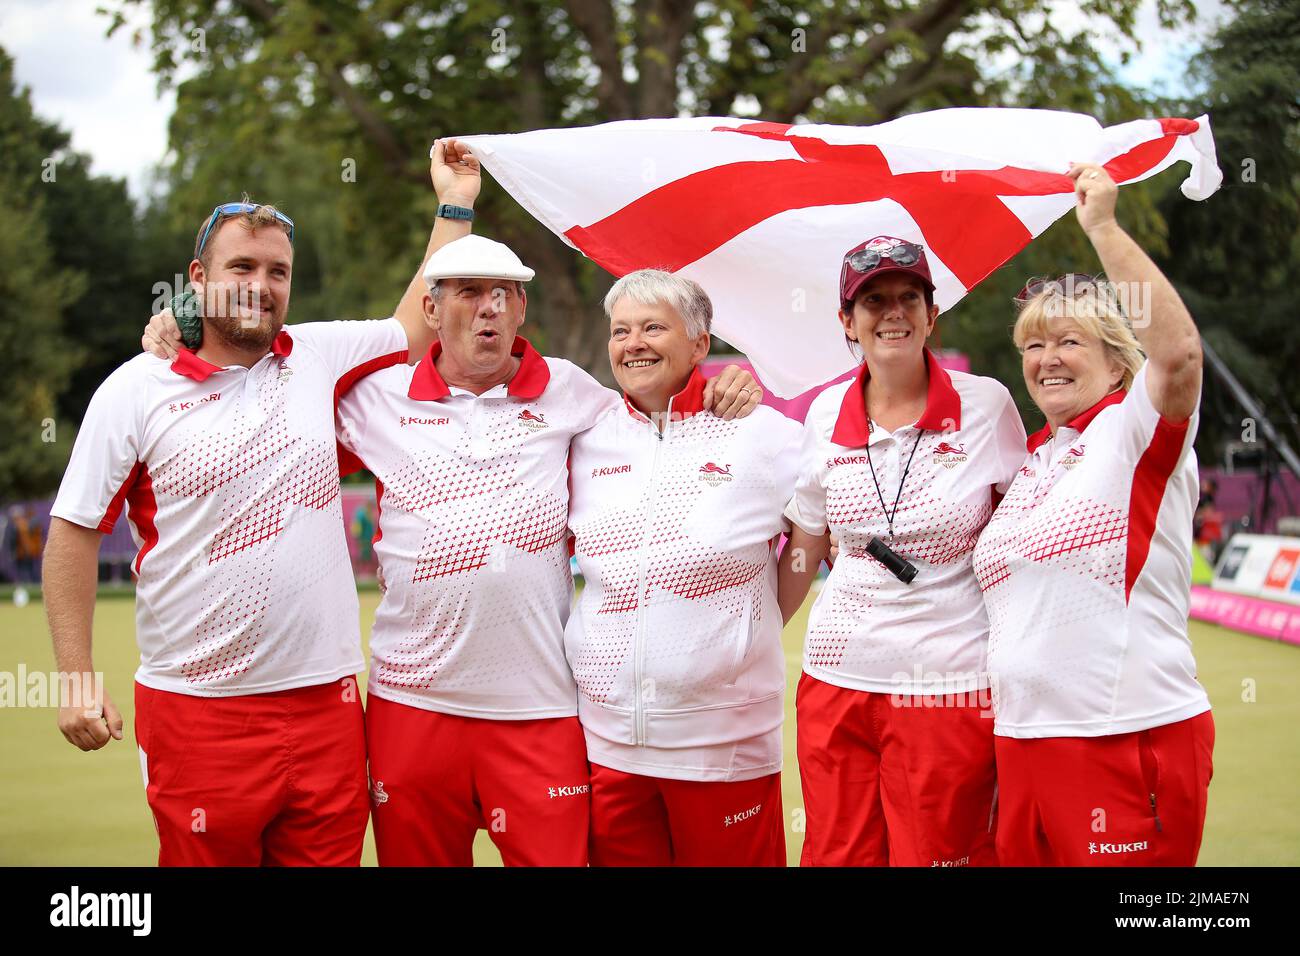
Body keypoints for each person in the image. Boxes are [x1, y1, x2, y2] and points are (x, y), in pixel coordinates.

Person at [45, 139, 477, 866]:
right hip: (197, 711)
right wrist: (77, 678)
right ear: (196, 279)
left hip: (328, 709)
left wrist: (456, 201)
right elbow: (73, 530)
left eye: (277, 271)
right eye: (241, 267)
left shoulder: (315, 356)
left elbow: (418, 324)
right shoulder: (135, 388)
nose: (261, 284)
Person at [333, 238, 762, 866]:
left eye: (502, 294)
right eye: (470, 293)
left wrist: (721, 387)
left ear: (521, 309)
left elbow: (655, 409)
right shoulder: (375, 398)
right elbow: (272, 379)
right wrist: (182, 328)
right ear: (431, 307)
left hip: (541, 709)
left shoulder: (572, 391)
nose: (488, 309)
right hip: (411, 705)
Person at [971, 163, 1214, 867]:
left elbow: (1180, 355)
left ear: (1116, 363)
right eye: (1033, 346)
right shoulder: (1034, 460)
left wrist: (1103, 228)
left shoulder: (1134, 431)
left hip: (1127, 735)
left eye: (1068, 341)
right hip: (1022, 744)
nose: (1046, 359)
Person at [777, 236, 1027, 867]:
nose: (893, 313)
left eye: (908, 297)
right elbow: (806, 542)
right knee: (838, 857)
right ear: (847, 322)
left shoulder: (986, 405)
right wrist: (751, 632)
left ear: (931, 313)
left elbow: (1021, 536)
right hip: (835, 680)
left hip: (948, 684)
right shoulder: (825, 412)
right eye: (874, 301)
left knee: (941, 856)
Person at [563, 269, 801, 866]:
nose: (633, 343)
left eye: (652, 327)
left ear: (699, 343)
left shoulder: (760, 433)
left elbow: (822, 518)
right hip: (610, 744)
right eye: (620, 331)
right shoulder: (587, 436)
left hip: (724, 744)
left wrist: (764, 616)